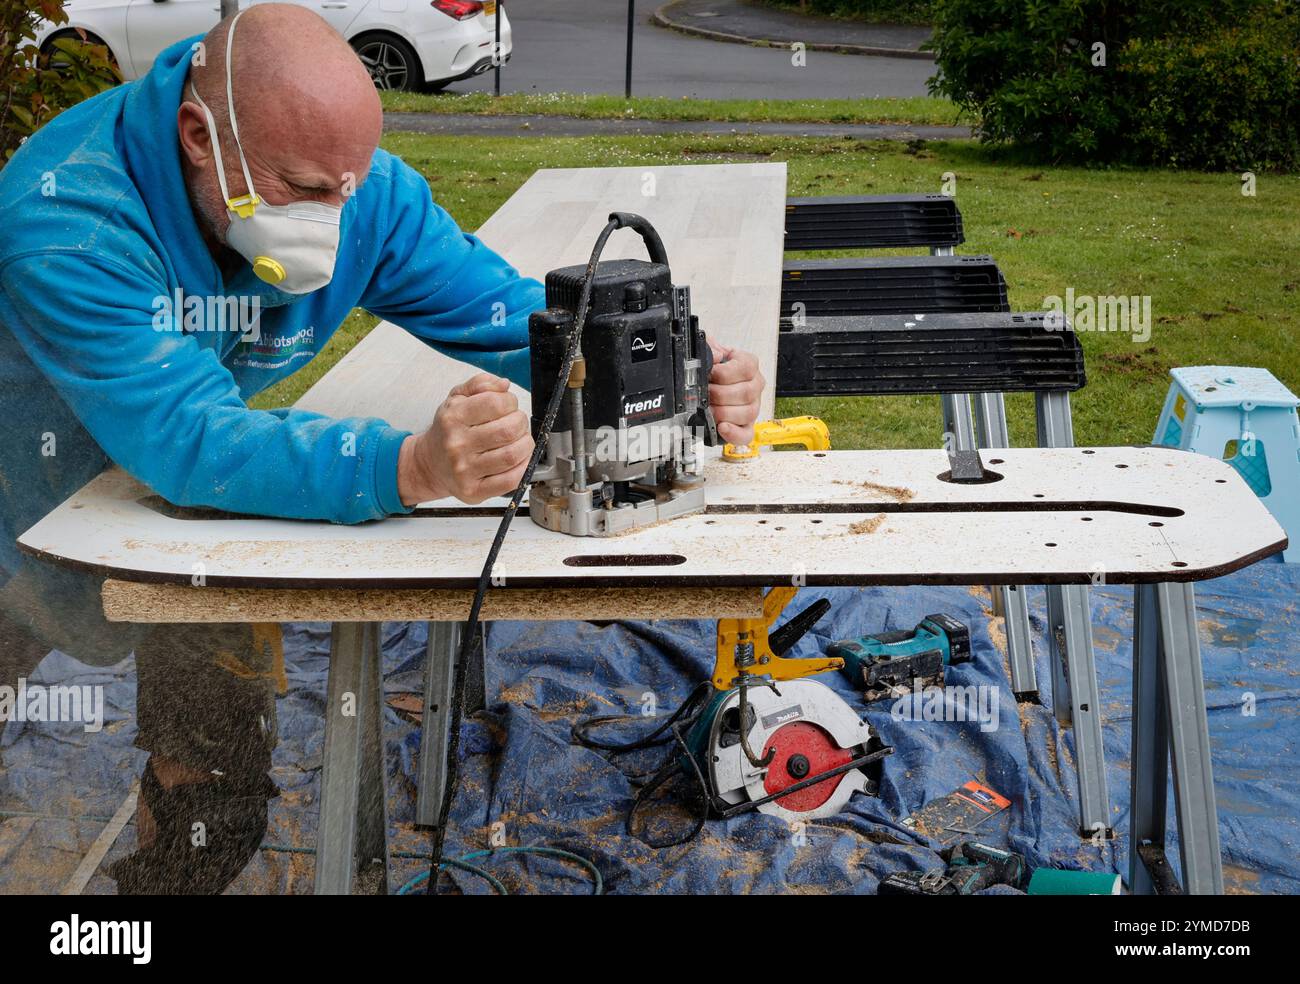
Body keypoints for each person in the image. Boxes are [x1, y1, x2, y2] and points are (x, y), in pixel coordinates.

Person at [0, 4, 763, 892]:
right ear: (199, 136)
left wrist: (673, 372)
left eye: (347, 187)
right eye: (303, 189)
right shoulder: (71, 222)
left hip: (171, 514)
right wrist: (408, 468)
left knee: (213, 791)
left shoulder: (357, 190)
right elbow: (190, 436)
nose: (333, 219)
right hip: (21, 499)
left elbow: (509, 317)